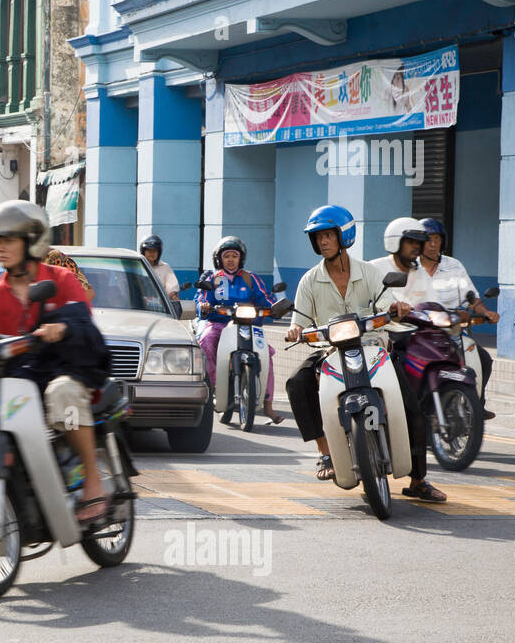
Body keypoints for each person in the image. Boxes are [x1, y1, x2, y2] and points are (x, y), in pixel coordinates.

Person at [283, 205, 445, 501]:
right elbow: (300, 322)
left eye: (328, 235)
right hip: (329, 352)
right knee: (296, 382)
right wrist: (295, 331)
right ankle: (326, 452)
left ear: (344, 235)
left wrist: (398, 307)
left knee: (414, 410)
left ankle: (419, 478)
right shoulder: (309, 280)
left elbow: (388, 303)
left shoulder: (369, 272)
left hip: (372, 349)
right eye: (318, 237)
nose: (323, 242)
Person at [0, 201, 112, 523]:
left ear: (31, 242)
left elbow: (86, 327)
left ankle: (92, 479)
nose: (0, 248)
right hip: (27, 378)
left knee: (63, 394)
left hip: (70, 369)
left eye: (8, 241)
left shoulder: (61, 278)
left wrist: (62, 327)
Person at [195, 236, 284, 424]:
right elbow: (202, 298)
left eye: (234, 256)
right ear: (219, 259)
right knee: (206, 341)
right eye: (226, 256)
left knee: (266, 352)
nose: (230, 260)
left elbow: (264, 298)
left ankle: (267, 405)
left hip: (247, 325)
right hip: (219, 324)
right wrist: (203, 305)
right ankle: (210, 388)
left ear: (240, 259)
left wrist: (275, 307)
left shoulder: (251, 278)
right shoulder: (213, 278)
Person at [419, 217, 497, 416]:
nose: (433, 244)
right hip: (420, 335)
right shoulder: (411, 268)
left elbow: (471, 298)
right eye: (428, 239)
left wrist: (486, 312)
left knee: (484, 359)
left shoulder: (454, 266)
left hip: (452, 332)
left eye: (437, 239)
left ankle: (476, 403)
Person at [140, 234, 180, 300]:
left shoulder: (165, 267)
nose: (152, 253)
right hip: (138, 304)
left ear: (159, 252)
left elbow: (172, 288)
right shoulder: (137, 266)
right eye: (149, 250)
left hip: (159, 306)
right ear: (143, 251)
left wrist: (173, 295)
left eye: (155, 250)